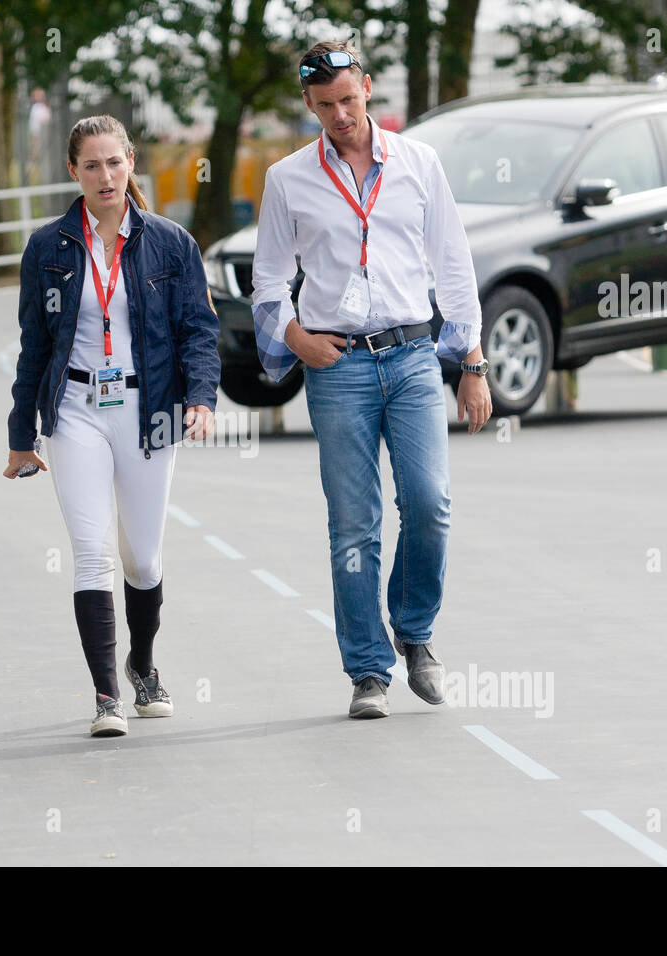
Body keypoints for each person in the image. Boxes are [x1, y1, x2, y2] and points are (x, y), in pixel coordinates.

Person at [250, 40, 492, 719]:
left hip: (414, 356)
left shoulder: (419, 164)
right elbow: (267, 282)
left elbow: (453, 265)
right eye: (325, 106)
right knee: (353, 524)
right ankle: (368, 671)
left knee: (429, 503)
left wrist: (471, 364)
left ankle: (414, 633)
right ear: (309, 104)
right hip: (339, 368)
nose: (340, 115)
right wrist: (296, 337)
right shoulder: (288, 179)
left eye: (349, 100)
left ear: (369, 90)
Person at [4, 114, 221, 737]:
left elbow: (198, 333)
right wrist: (22, 435)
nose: (105, 176)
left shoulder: (171, 243)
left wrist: (201, 397)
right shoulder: (47, 248)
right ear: (73, 171)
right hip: (73, 413)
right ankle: (106, 696)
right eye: (91, 165)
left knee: (144, 559)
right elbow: (34, 348)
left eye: (115, 163)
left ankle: (143, 663)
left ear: (132, 164)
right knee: (91, 554)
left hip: (147, 410)